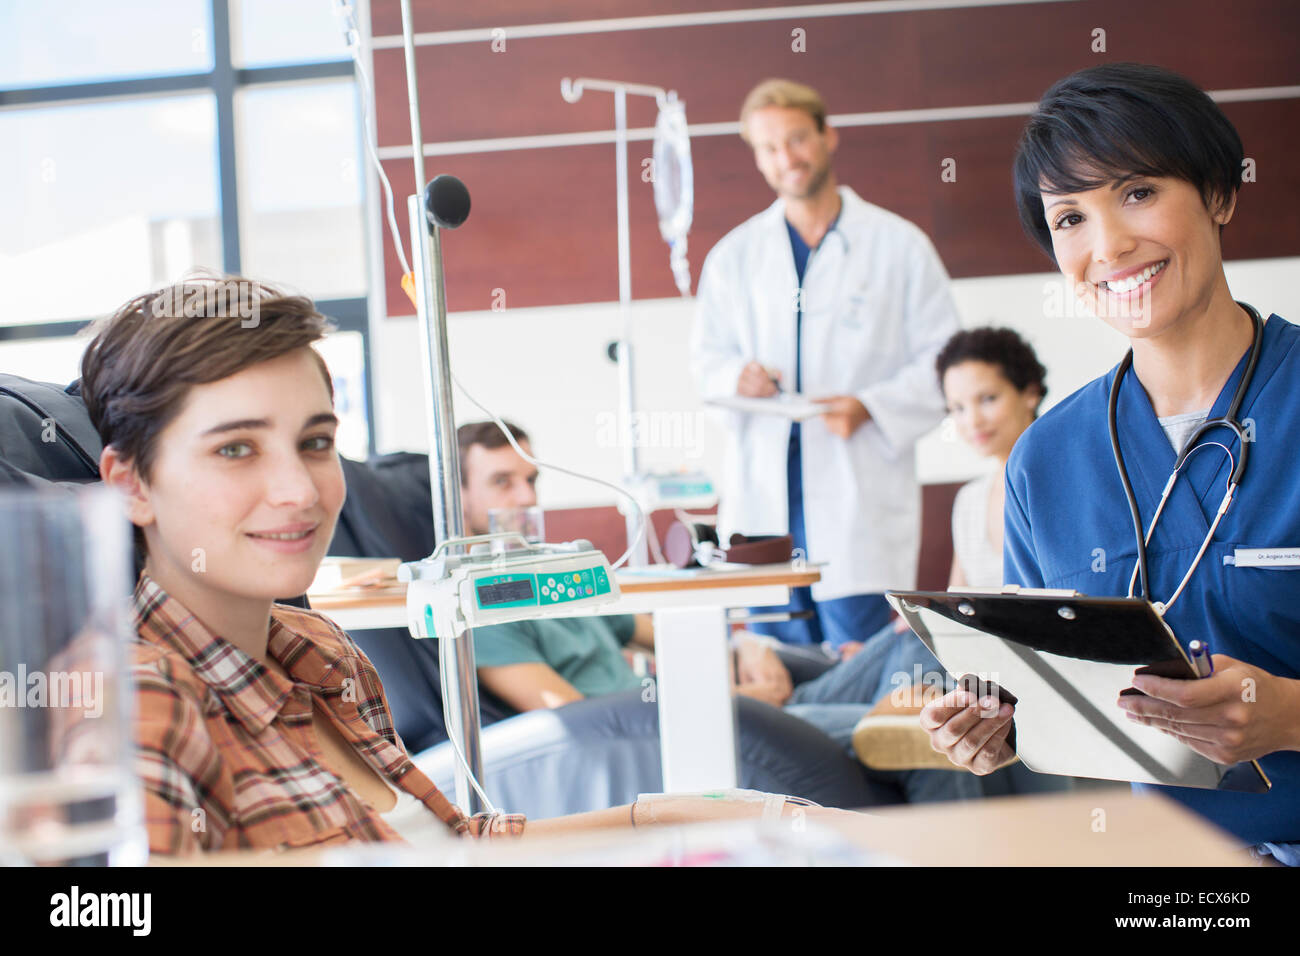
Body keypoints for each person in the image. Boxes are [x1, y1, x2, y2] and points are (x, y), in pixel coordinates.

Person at [83, 274, 849, 855]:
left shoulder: (323, 654)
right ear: (133, 486)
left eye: (315, 442)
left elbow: (451, 849)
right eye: (236, 449)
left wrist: (663, 817)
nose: (298, 490)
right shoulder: (139, 699)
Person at [919, 63, 1300, 864]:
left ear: (1221, 194)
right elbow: (1037, 688)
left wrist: (1291, 714)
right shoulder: (1048, 460)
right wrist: (996, 730)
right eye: (1069, 218)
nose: (1109, 247)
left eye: (1136, 193)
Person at [460, 419, 983, 804]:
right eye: (503, 482)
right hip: (685, 727)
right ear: (458, 496)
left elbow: (663, 638)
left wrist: (752, 647)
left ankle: (894, 708)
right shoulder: (483, 607)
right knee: (931, 735)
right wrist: (728, 698)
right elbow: (587, 726)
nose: (526, 497)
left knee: (919, 636)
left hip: (737, 703)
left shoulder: (556, 578)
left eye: (531, 479)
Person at [691, 78, 961, 658]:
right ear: (757, 158)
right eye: (769, 147)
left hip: (856, 498)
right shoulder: (734, 257)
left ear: (827, 136)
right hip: (767, 503)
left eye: (797, 139)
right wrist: (733, 376)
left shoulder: (899, 246)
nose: (786, 158)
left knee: (861, 670)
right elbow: (705, 363)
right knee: (776, 674)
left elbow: (948, 364)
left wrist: (872, 406)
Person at [936, 327, 1047, 588]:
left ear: (1030, 393)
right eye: (958, 408)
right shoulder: (969, 501)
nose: (973, 421)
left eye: (987, 399)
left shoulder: (1069, 483)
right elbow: (958, 603)